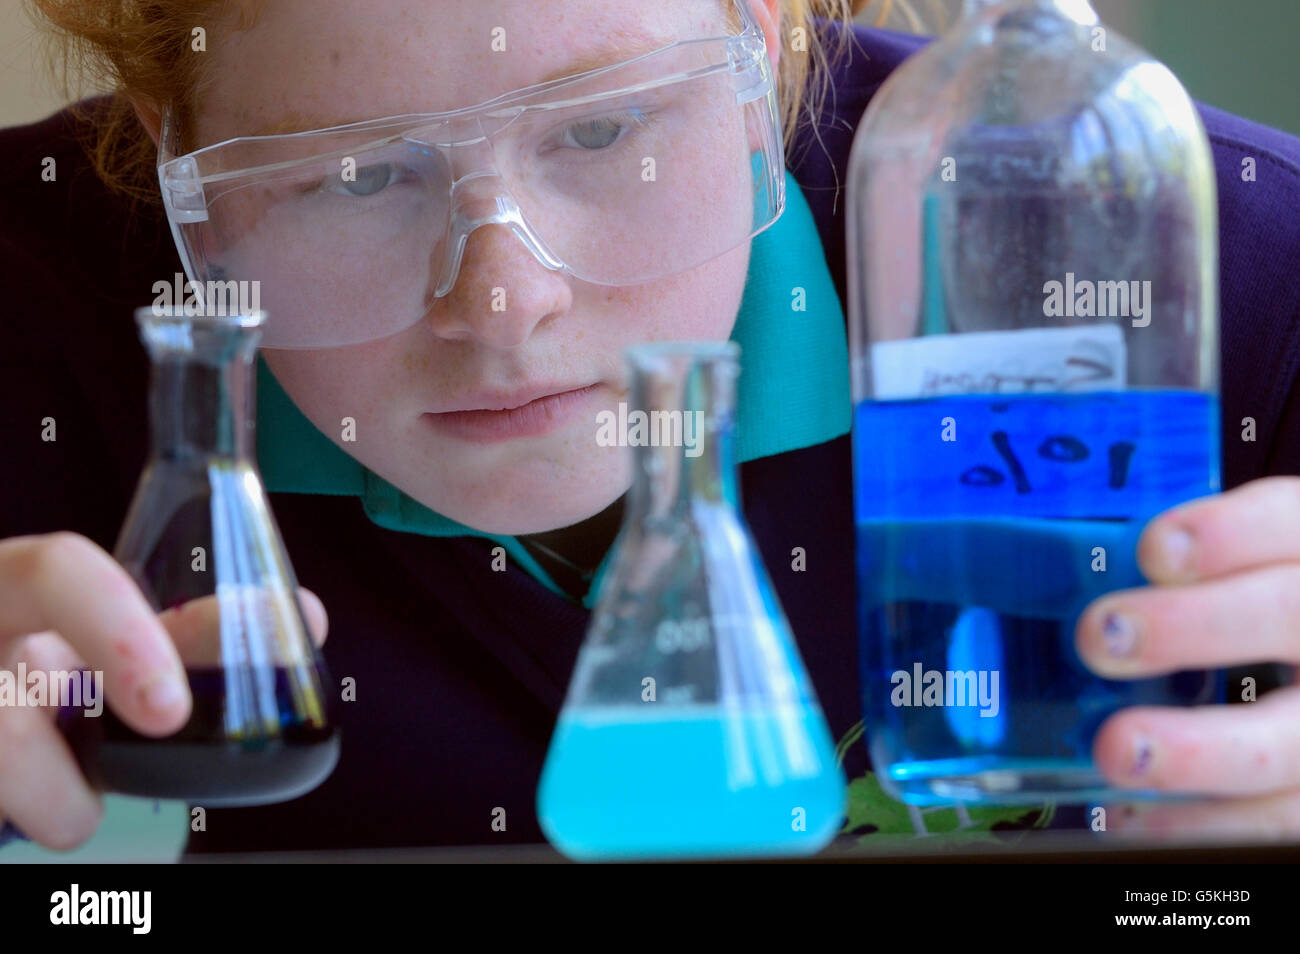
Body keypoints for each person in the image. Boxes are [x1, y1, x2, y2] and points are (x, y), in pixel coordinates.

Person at [1, 0, 1298, 855]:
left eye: (604, 125)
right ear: (188, 181)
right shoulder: (34, 298)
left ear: (763, 57)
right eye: (353, 175)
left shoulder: (1195, 251)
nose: (503, 305)